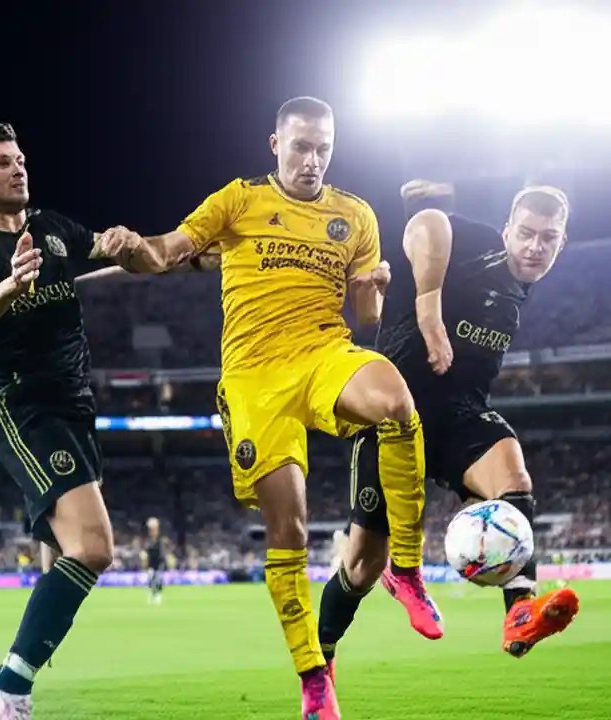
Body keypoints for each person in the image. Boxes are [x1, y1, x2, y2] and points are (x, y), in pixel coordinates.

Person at [96, 97, 437, 719]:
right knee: (291, 531)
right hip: (254, 378)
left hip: (322, 353)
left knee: (395, 401)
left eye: (324, 148)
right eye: (302, 146)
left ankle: (407, 570)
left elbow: (366, 321)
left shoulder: (355, 215)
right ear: (275, 144)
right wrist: (130, 247)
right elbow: (166, 252)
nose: (313, 160)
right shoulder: (238, 200)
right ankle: (314, 678)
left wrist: (371, 292)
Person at [321, 181, 583, 674]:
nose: (534, 246)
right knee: (361, 568)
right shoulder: (477, 246)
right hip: (395, 417)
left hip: (460, 413)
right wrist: (428, 308)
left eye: (548, 238)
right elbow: (427, 224)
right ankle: (321, 662)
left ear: (561, 243)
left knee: (515, 481)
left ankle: (520, 612)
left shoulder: (519, 285)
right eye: (525, 233)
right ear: (506, 230)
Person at [0, 122, 130, 720]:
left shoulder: (51, 228)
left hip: (75, 404)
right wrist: (9, 285)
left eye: (21, 157)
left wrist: (160, 252)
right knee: (96, 547)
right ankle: (8, 686)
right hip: (24, 403)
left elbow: (106, 252)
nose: (18, 168)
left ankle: (13, 685)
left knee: (64, 560)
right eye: (3, 162)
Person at [143, 517, 167, 606]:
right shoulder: (150, 541)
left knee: (158, 580)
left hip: (158, 564)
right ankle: (151, 595)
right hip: (151, 564)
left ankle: (157, 596)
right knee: (151, 580)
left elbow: (160, 553)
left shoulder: (159, 541)